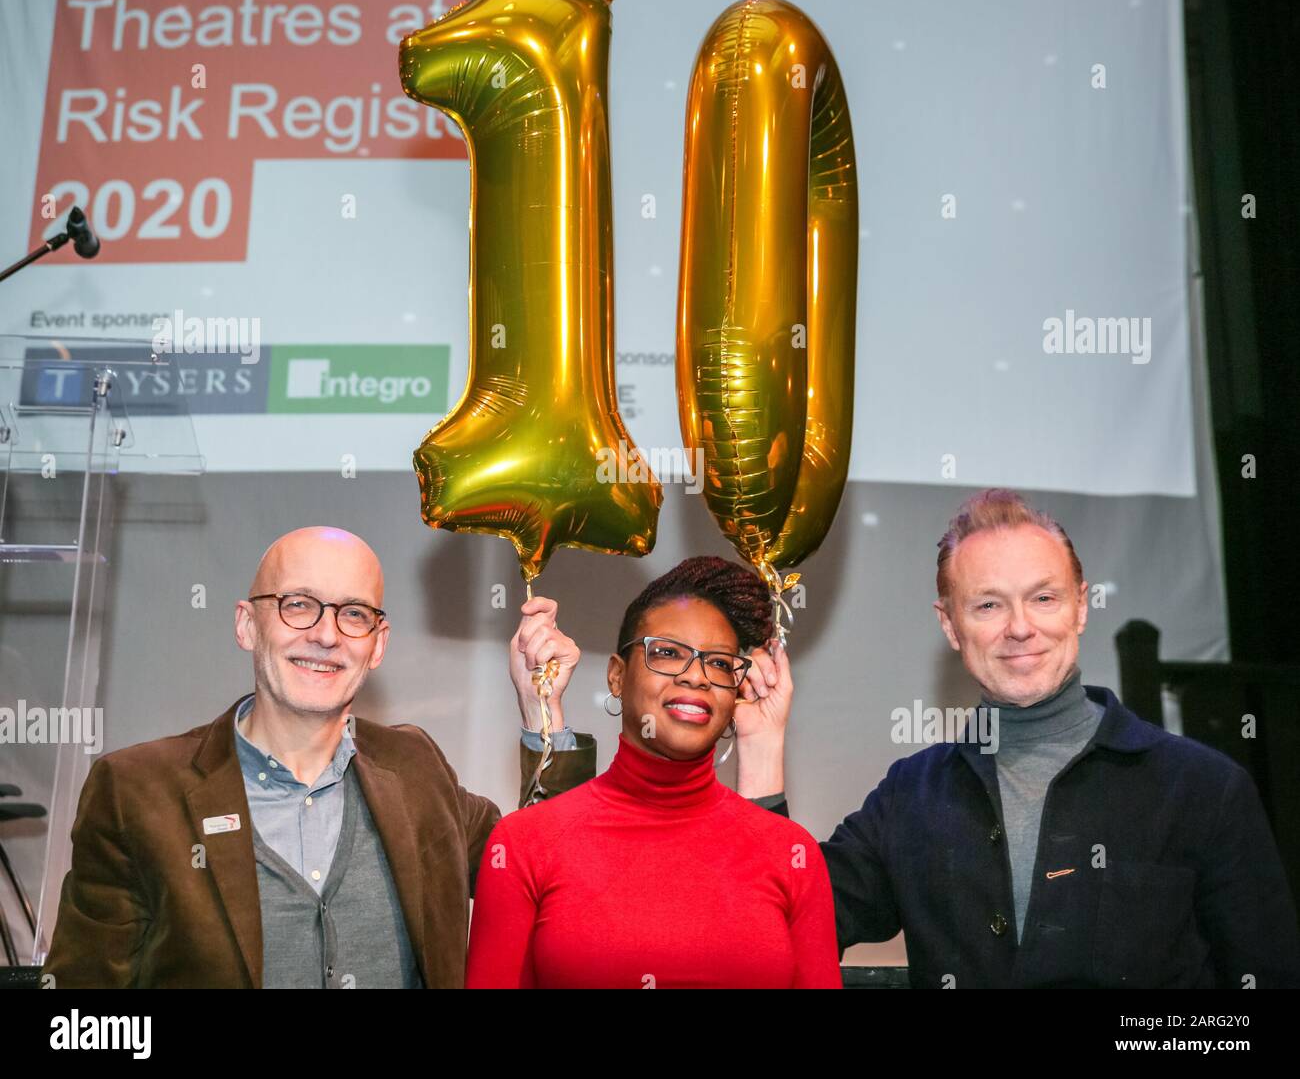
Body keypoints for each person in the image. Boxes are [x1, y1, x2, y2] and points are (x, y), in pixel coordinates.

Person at [737, 488, 1300, 988]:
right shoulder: (911, 797)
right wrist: (762, 747)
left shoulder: (1203, 789)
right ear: (950, 626)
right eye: (988, 605)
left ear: (1081, 606)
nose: (1021, 627)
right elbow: (780, 928)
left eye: (1044, 598)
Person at [44, 526, 591, 988]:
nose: (326, 635)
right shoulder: (136, 790)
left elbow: (543, 873)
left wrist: (541, 710)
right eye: (298, 605)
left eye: (353, 614)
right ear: (246, 624)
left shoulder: (417, 767)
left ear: (377, 643)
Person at [466, 556, 842, 988]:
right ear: (616, 676)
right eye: (667, 653)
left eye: (719, 663)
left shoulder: (793, 854)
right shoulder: (523, 845)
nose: (697, 677)